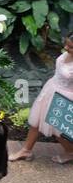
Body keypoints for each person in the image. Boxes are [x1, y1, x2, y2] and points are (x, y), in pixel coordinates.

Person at [10, 29, 73, 163]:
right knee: (36, 121)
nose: (66, 48)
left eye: (71, 47)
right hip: (51, 89)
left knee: (57, 129)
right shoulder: (66, 53)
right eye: (66, 44)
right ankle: (26, 150)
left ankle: (70, 152)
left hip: (65, 96)